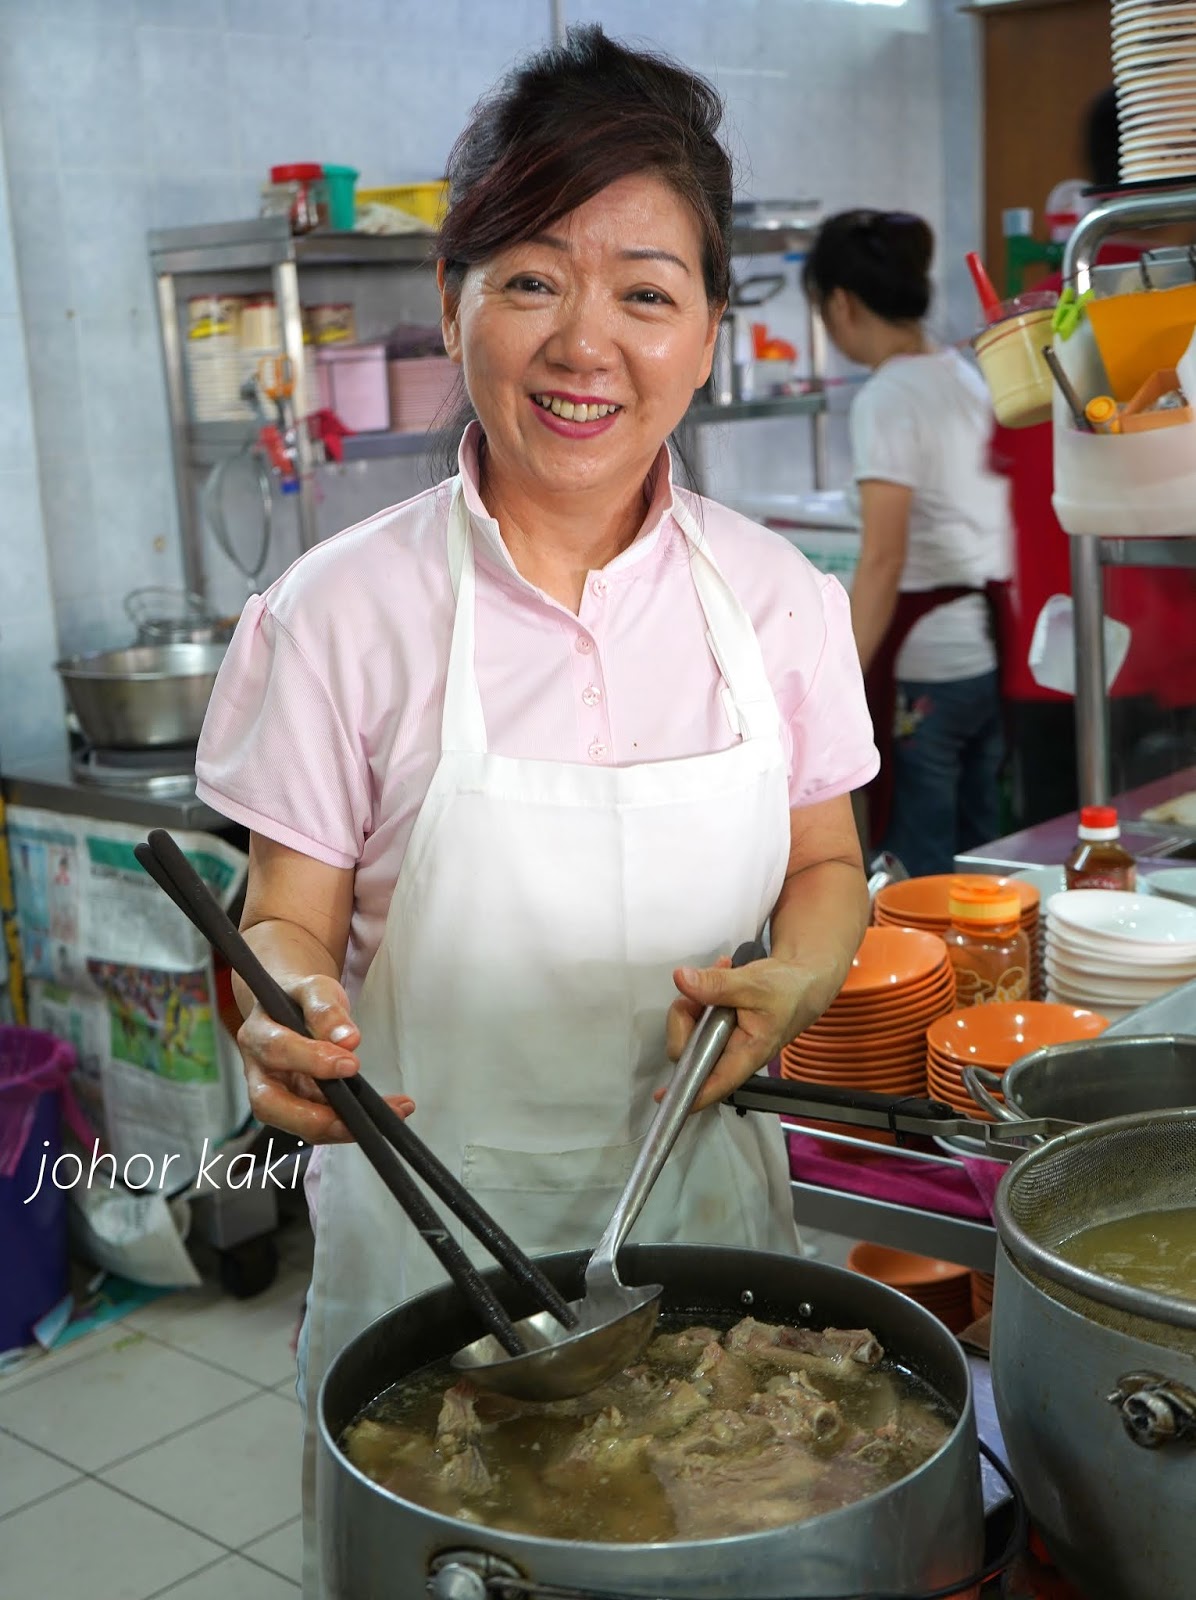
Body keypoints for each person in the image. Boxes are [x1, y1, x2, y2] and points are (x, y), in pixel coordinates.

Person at [193, 27, 877, 1595]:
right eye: (530, 280)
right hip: (424, 1267)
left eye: (645, 292)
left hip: (703, 1240)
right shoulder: (339, 614)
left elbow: (828, 860)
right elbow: (285, 917)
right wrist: (286, 1005)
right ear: (454, 306)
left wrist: (799, 978)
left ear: (708, 334)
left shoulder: (777, 599)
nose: (585, 343)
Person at [995, 86, 1196, 826]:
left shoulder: (1034, 322)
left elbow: (1008, 469)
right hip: (1170, 666)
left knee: (1069, 858)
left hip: (1057, 662)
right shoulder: (1175, 305)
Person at [802, 212, 1011, 877]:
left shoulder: (888, 396)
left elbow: (883, 558)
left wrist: (837, 679)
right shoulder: (964, 373)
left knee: (915, 864)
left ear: (841, 303)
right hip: (987, 652)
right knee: (983, 854)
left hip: (930, 666)